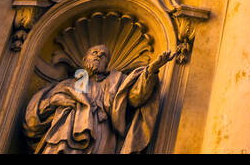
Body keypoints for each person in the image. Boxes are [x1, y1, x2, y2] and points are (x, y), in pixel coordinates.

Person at [23, 43, 175, 154]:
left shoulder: (116, 81)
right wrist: (54, 102)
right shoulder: (68, 84)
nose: (98, 56)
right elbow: (36, 116)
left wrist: (151, 72)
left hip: (101, 133)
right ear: (84, 58)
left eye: (103, 55)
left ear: (107, 63)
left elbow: (136, 98)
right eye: (94, 52)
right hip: (63, 135)